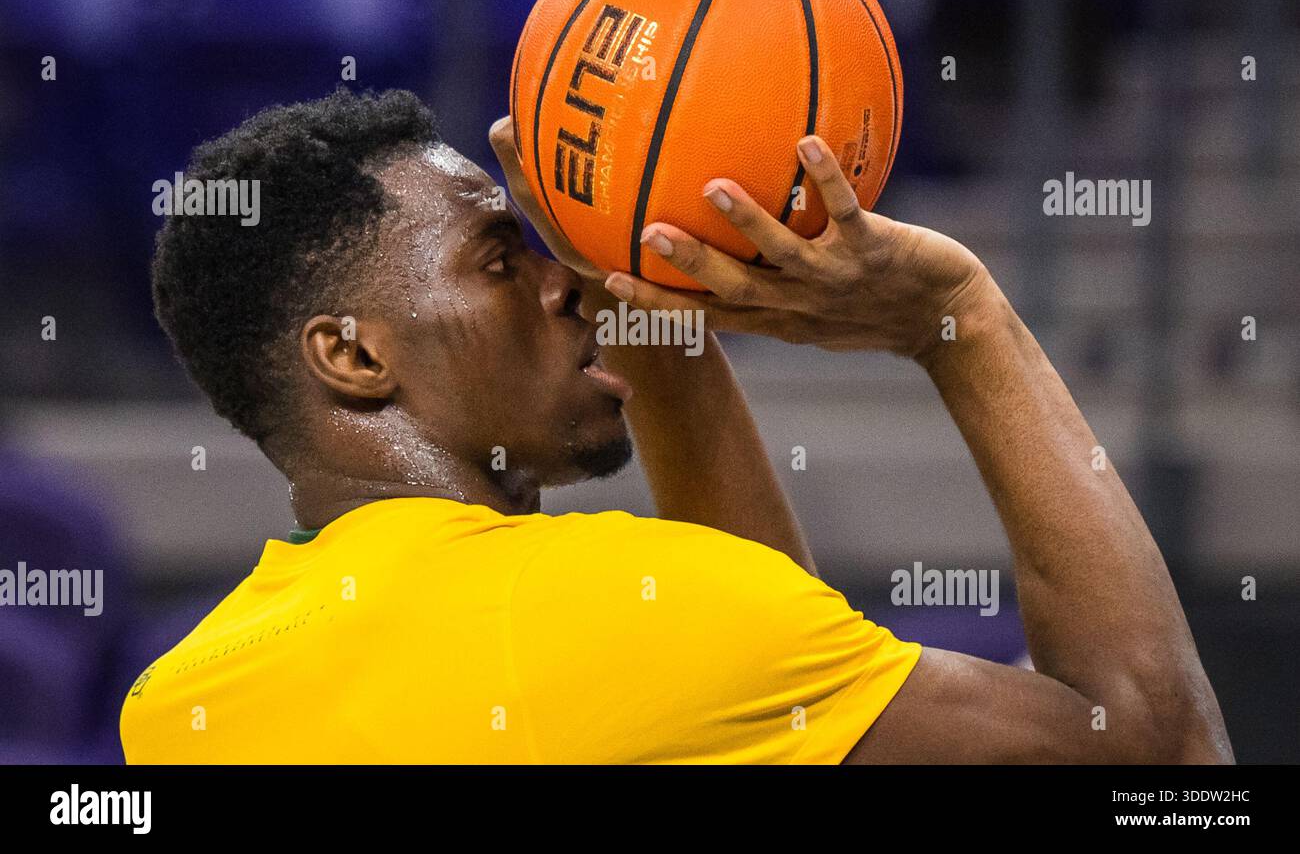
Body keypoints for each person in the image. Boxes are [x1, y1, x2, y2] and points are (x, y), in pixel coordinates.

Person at [121, 88, 1232, 763]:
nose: (562, 284)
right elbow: (1153, 750)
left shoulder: (177, 704)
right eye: (502, 260)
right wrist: (957, 321)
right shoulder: (614, 611)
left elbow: (752, 712)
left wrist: (646, 295)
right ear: (355, 355)